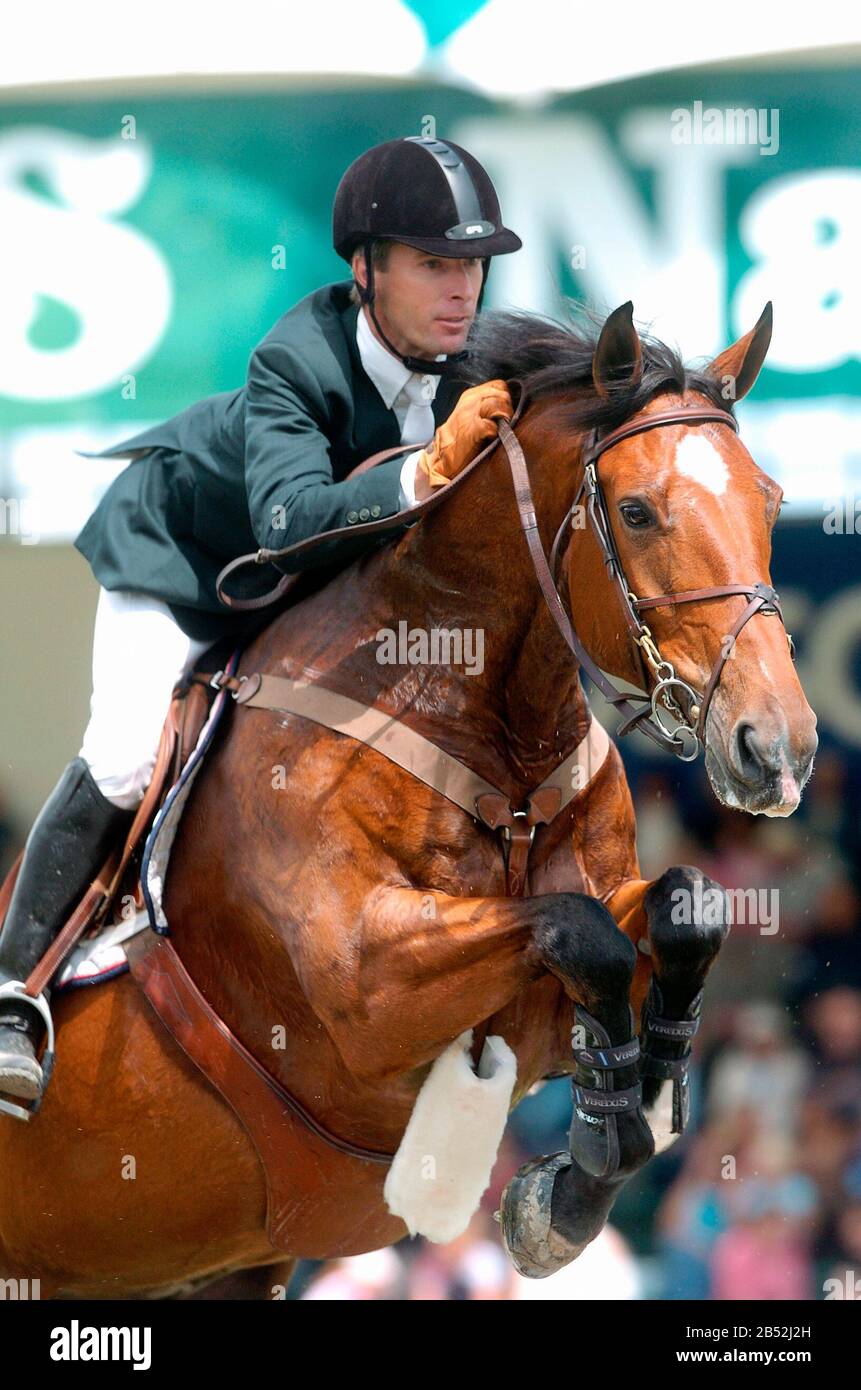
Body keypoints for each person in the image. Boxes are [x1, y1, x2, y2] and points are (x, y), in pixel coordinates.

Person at [0, 135, 521, 1108]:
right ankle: (13, 990)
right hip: (185, 565)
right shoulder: (296, 358)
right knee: (122, 753)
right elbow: (286, 525)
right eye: (437, 264)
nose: (464, 289)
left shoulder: (475, 367)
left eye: (475, 267)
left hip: (303, 603)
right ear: (366, 270)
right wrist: (423, 470)